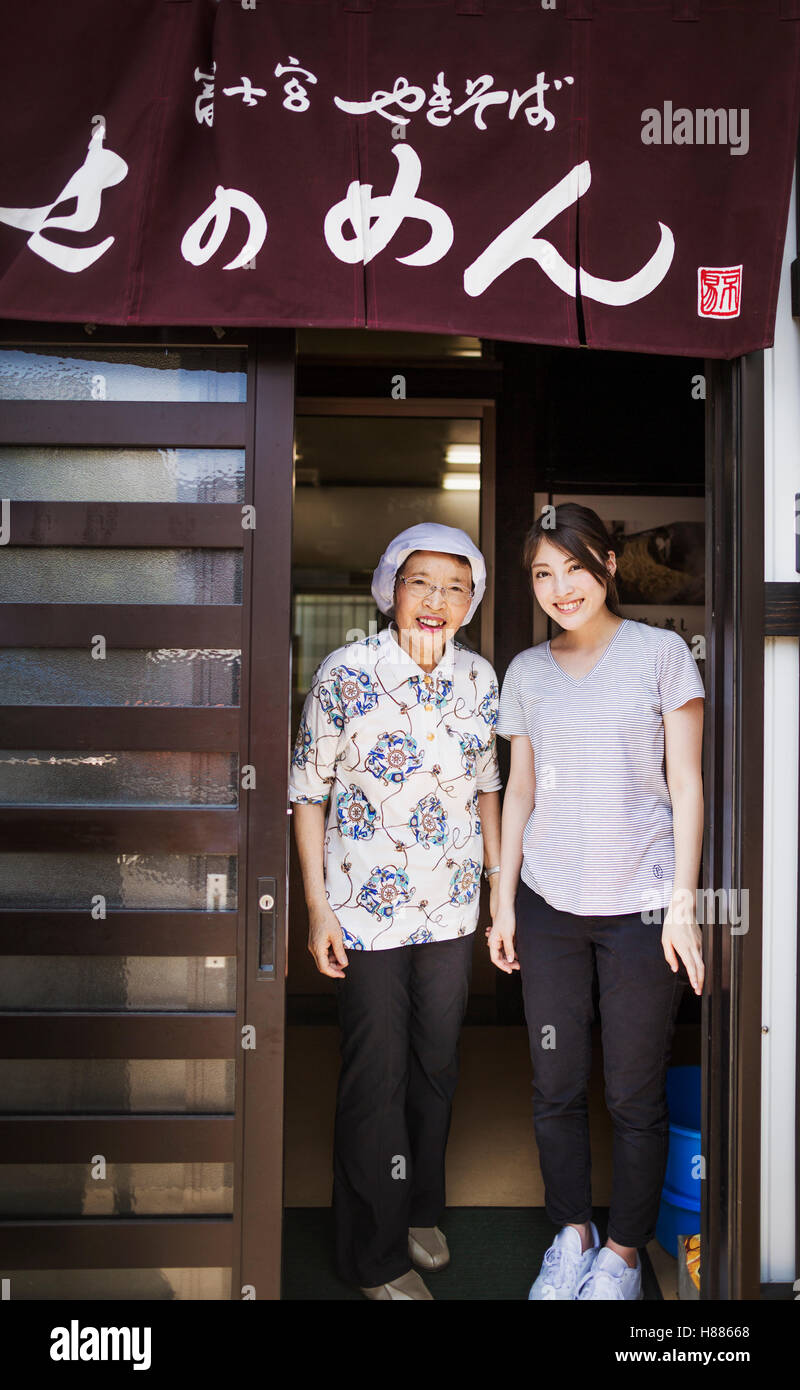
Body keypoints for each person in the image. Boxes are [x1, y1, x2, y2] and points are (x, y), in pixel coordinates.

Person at [489, 502, 705, 1301]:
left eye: (574, 566)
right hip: (549, 905)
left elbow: (687, 783)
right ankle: (572, 1234)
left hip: (641, 906)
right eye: (544, 573)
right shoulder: (525, 672)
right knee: (555, 1081)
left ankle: (620, 1254)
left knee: (634, 1091)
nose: (560, 586)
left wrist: (683, 905)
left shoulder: (662, 655)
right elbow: (519, 795)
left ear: (609, 564)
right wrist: (504, 903)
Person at [289, 523, 502, 1300]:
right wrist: (317, 908)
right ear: (391, 588)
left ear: (471, 600)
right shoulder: (346, 673)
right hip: (362, 911)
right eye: (421, 582)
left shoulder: (480, 681)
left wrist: (497, 893)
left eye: (454, 586)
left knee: (436, 1068)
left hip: (449, 909)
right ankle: (374, 1256)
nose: (435, 601)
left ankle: (418, 1209)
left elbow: (488, 791)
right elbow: (307, 796)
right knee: (373, 1077)